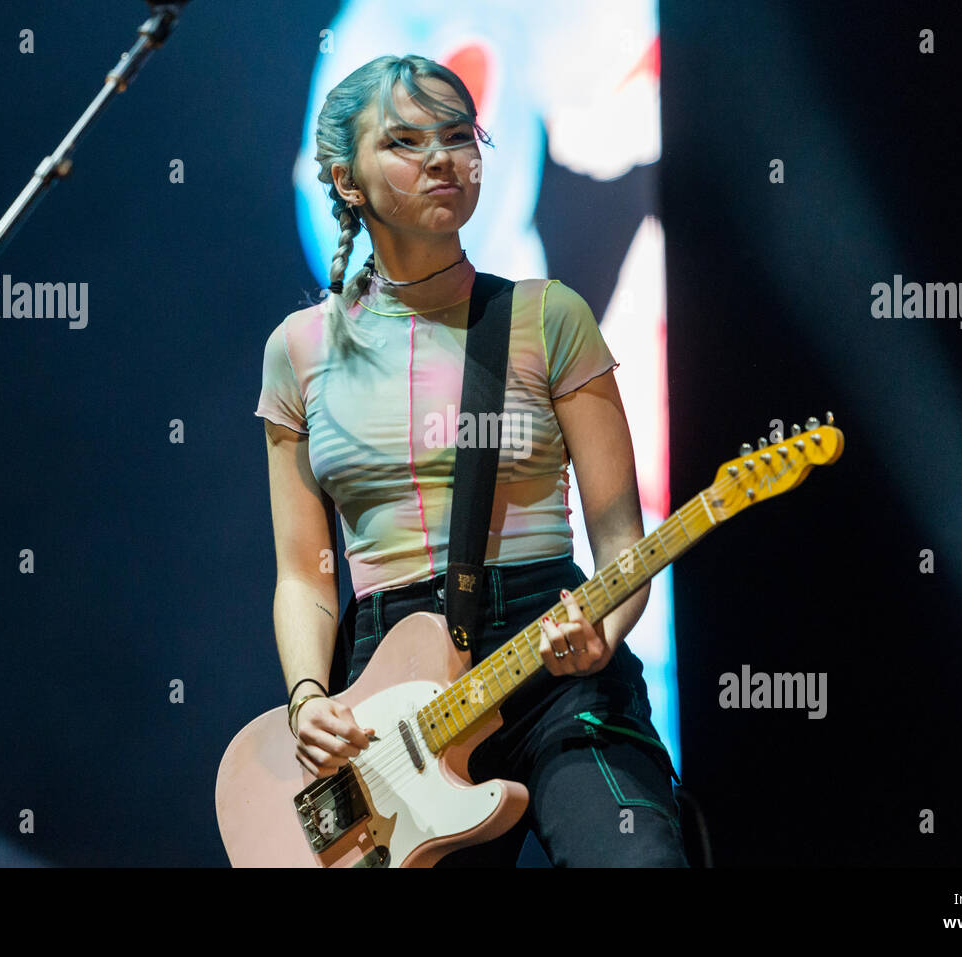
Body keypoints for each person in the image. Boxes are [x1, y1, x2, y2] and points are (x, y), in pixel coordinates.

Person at [256, 54, 687, 867]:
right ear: (347, 180)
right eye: (407, 141)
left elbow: (623, 540)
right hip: (390, 713)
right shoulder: (298, 352)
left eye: (460, 136)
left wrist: (605, 628)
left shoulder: (548, 315)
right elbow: (303, 574)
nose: (442, 159)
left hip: (555, 667)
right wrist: (308, 696)